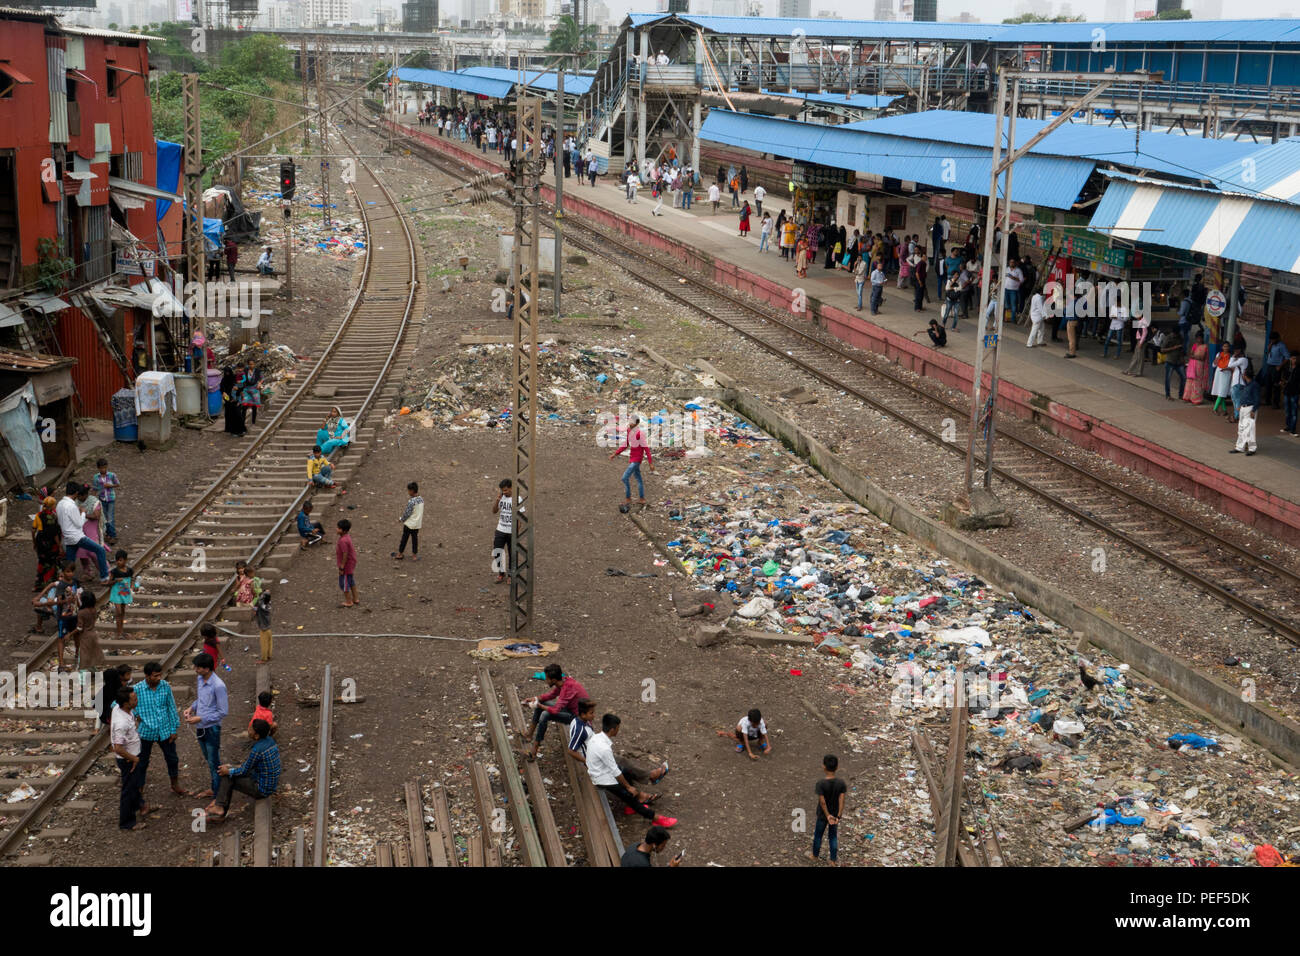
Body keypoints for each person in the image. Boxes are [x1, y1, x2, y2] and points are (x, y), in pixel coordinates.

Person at [586, 714, 676, 827]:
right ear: (613, 729)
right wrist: (629, 787)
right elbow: (615, 772)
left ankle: (632, 804)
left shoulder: (596, 738)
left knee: (626, 771)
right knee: (629, 794)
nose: (619, 730)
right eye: (618, 728)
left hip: (599, 771)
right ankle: (656, 818)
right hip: (602, 779)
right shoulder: (604, 748)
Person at [207, 718, 280, 822]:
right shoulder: (269, 741)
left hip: (262, 789)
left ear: (256, 736)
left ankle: (219, 808)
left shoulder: (257, 750)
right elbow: (250, 765)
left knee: (228, 776)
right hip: (267, 780)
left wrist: (229, 771)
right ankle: (220, 807)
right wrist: (231, 767)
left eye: (250, 729)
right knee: (230, 770)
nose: (248, 730)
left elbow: (245, 770)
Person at [134, 661, 188, 798]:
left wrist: (174, 729)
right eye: (155, 676)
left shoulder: (165, 686)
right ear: (146, 676)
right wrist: (136, 714)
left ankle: (174, 784)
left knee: (172, 759)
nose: (158, 678)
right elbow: (119, 703)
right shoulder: (137, 689)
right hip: (146, 732)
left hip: (165, 731)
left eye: (160, 675)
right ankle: (139, 789)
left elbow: (171, 707)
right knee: (142, 762)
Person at [109, 687, 154, 831]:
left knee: (134, 785)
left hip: (134, 755)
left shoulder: (119, 707)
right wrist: (134, 759)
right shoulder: (121, 724)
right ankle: (127, 822)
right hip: (128, 759)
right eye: (134, 699)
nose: (137, 700)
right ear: (126, 703)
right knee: (128, 789)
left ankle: (141, 806)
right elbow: (118, 748)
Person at [185, 651, 228, 800]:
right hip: (201, 727)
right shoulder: (200, 679)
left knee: (213, 761)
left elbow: (223, 712)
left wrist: (201, 718)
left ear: (207, 668)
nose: (196, 670)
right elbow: (201, 700)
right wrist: (191, 708)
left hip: (212, 728)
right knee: (208, 760)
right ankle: (215, 788)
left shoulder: (218, 686)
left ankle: (218, 796)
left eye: (198, 667)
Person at [523, 664, 588, 761]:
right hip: (568, 709)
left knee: (545, 714)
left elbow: (555, 710)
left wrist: (539, 705)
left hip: (577, 717)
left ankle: (534, 749)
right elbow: (551, 695)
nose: (545, 680)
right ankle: (529, 735)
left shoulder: (568, 688)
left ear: (553, 680)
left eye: (547, 678)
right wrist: (534, 699)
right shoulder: (563, 681)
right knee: (541, 704)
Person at [57, 482, 109, 584]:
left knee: (70, 561)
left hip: (68, 538)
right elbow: (79, 524)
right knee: (100, 550)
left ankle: (66, 581)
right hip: (77, 537)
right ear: (76, 493)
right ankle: (104, 577)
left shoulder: (60, 504)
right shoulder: (71, 506)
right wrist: (83, 512)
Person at [808, 753, 846, 865]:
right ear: (837, 767)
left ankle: (815, 855)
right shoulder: (841, 783)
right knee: (833, 837)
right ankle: (833, 860)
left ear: (823, 767)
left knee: (818, 835)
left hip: (822, 815)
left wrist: (827, 814)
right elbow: (841, 800)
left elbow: (822, 802)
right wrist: (838, 815)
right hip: (835, 815)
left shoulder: (820, 784)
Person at [610, 414, 654, 506]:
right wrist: (615, 453)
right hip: (632, 458)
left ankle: (628, 498)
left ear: (637, 423)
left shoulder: (639, 434)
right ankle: (642, 498)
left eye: (632, 422)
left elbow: (646, 449)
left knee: (624, 478)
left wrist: (650, 463)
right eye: (630, 421)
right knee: (638, 479)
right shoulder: (629, 431)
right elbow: (626, 444)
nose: (630, 423)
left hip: (637, 460)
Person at [31, 496, 62, 593]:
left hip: (40, 541)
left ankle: (38, 585)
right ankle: (50, 584)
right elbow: (55, 534)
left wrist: (34, 542)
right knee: (52, 563)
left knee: (42, 562)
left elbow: (33, 530)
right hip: (51, 543)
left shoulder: (38, 515)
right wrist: (60, 546)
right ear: (52, 506)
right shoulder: (53, 517)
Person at [69, 590, 105, 672]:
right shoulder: (94, 610)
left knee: (83, 656)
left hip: (85, 636)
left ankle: (82, 678)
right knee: (91, 653)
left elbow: (79, 628)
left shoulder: (81, 612)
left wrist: (70, 634)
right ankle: (93, 670)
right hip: (93, 634)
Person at [1231, 368, 1261, 456]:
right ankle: (1240, 447)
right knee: (1241, 428)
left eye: (1243, 374)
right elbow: (1244, 396)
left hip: (1250, 408)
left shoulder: (1254, 385)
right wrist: (1240, 405)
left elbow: (1257, 399)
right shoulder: (1248, 385)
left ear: (1245, 375)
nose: (1242, 376)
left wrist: (1254, 410)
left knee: (1250, 429)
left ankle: (1252, 448)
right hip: (1244, 408)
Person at [91, 458, 120, 546]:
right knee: (104, 518)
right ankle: (108, 534)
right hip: (102, 499)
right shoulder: (96, 477)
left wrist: (110, 485)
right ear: (98, 468)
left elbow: (118, 484)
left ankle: (113, 535)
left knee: (110, 518)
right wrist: (92, 499)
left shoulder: (112, 475)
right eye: (101, 468)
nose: (103, 469)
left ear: (107, 467)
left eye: (104, 467)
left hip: (111, 499)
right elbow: (95, 488)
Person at [108, 549, 136, 639]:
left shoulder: (129, 571)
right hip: (116, 593)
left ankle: (121, 631)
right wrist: (115, 580)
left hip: (125, 593)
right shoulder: (114, 572)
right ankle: (119, 632)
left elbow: (132, 579)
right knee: (119, 612)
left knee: (122, 612)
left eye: (120, 560)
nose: (118, 562)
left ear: (125, 560)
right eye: (117, 560)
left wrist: (132, 588)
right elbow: (109, 582)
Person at [394, 481, 423, 560]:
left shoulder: (411, 502)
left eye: (408, 490)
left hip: (409, 524)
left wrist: (401, 519)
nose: (408, 492)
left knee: (404, 538)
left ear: (412, 491)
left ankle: (400, 554)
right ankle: (414, 555)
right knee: (414, 539)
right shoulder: (421, 500)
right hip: (417, 524)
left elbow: (407, 513)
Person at [1262, 331, 1292, 408]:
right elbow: (1268, 352)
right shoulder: (1272, 344)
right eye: (1271, 340)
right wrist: (1270, 346)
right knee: (1268, 384)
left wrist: (1280, 366)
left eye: (1273, 340)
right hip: (1269, 366)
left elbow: (1287, 357)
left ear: (1277, 339)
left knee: (1276, 385)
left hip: (1276, 367)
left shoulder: (1282, 346)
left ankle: (1275, 403)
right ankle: (1267, 401)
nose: (1272, 341)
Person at [492, 478, 513, 583]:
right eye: (503, 490)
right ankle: (501, 573)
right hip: (500, 529)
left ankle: (511, 575)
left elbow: (520, 518)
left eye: (506, 490)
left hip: (511, 531)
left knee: (512, 554)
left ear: (511, 488)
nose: (504, 492)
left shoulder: (517, 499)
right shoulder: (501, 498)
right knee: (497, 551)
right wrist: (497, 500)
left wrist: (516, 532)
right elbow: (494, 511)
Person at [336, 518, 359, 608]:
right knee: (351, 580)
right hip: (351, 562)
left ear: (344, 530)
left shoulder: (342, 541)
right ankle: (356, 598)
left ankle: (349, 601)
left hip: (346, 564)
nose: (336, 529)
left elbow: (345, 554)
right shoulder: (347, 537)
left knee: (344, 583)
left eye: (338, 528)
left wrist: (342, 566)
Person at [1183, 330, 1209, 405]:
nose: (1198, 340)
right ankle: (1187, 397)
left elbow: (1202, 357)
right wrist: (1195, 356)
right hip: (1192, 366)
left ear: (1202, 338)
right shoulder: (1194, 345)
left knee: (1197, 382)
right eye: (1197, 338)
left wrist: (1195, 356)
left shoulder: (1204, 347)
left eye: (1200, 338)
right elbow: (1190, 354)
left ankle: (1196, 399)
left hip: (1199, 366)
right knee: (1189, 381)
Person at [220, 368, 246, 436]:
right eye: (226, 373)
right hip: (228, 399)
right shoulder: (224, 380)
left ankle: (240, 430)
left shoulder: (235, 378)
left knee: (237, 414)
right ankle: (231, 430)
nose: (227, 374)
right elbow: (222, 388)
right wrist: (223, 393)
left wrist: (238, 389)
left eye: (228, 373)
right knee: (229, 415)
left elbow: (242, 386)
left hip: (236, 398)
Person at [1281, 353, 1299, 436]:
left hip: (1295, 392)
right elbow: (1284, 378)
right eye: (1292, 358)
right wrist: (1282, 382)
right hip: (1287, 391)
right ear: (1290, 359)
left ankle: (1293, 429)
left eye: (1295, 358)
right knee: (1287, 411)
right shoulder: (1287, 367)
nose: (1293, 360)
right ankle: (1288, 426)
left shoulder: (1299, 369)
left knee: (1294, 412)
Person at [254, 589, 273, 663]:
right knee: (269, 643)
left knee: (264, 644)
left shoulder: (261, 606)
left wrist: (263, 594)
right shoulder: (268, 605)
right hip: (268, 627)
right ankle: (269, 656)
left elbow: (258, 601)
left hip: (263, 628)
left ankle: (264, 659)